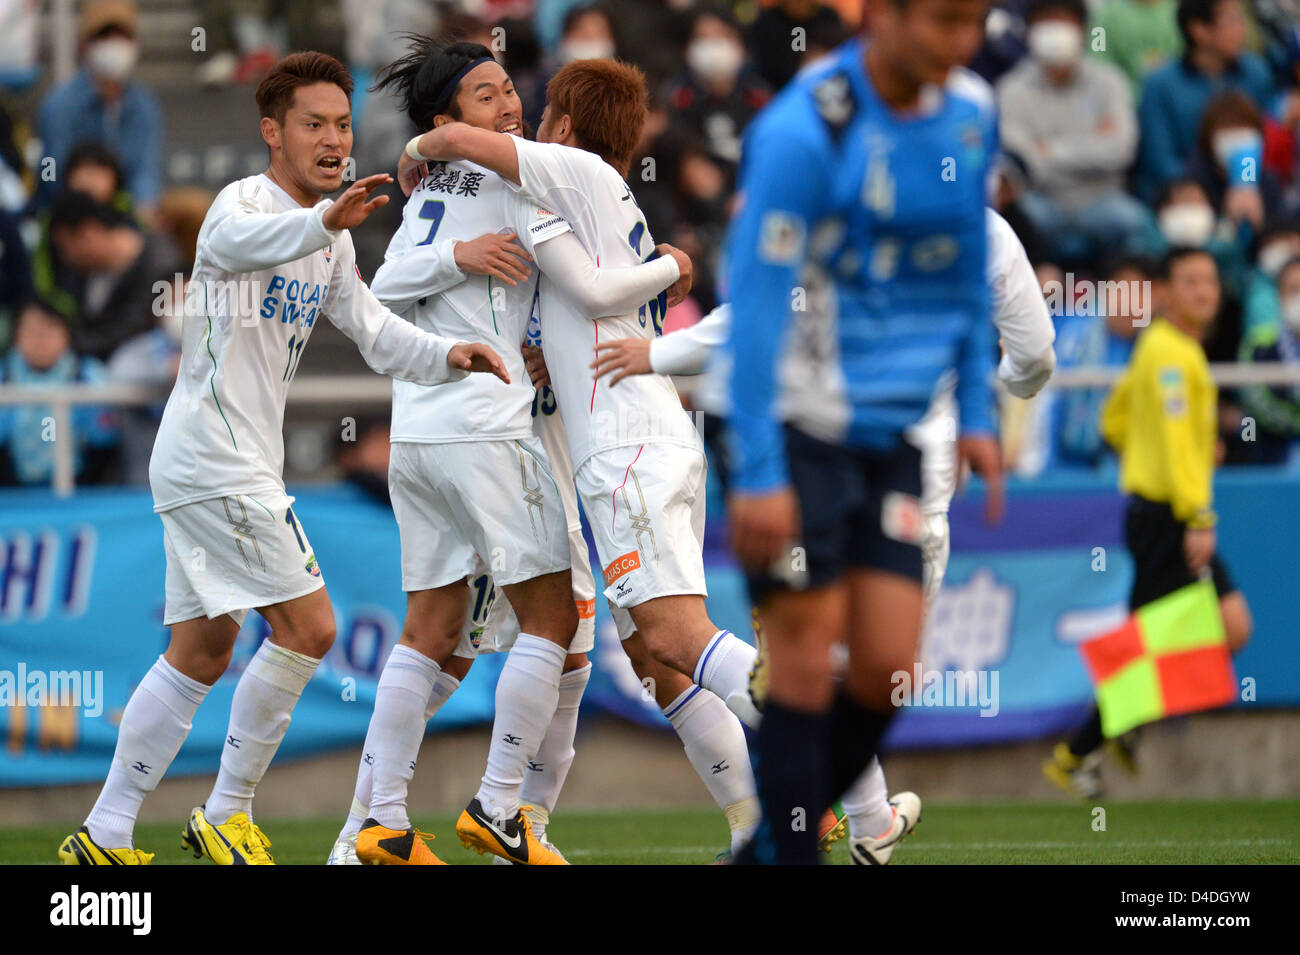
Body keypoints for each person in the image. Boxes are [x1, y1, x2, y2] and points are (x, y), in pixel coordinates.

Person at [56, 51, 508, 867]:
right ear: (273, 132)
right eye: (314, 125)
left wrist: (450, 354)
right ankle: (227, 811)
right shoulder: (244, 206)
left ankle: (104, 832)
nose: (334, 139)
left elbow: (374, 333)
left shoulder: (327, 240)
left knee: (200, 651)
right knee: (311, 626)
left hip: (219, 463)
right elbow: (245, 240)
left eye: (342, 124)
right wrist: (324, 221)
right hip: (214, 458)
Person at [592, 207, 1056, 863]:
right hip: (907, 489)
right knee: (852, 682)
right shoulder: (980, 226)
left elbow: (762, 305)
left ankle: (816, 831)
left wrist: (660, 351)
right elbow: (1035, 357)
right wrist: (984, 392)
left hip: (813, 472)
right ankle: (840, 826)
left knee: (804, 682)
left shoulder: (830, 198)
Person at [345, 38, 699, 867]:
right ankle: (501, 806)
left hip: (419, 433)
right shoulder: (517, 177)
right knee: (557, 618)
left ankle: (383, 821)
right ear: (448, 120)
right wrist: (673, 264)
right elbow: (593, 287)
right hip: (484, 428)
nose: (507, 106)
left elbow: (386, 286)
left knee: (428, 629)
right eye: (484, 97)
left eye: (509, 89)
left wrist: (453, 260)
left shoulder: (433, 191)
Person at [401, 57, 769, 792]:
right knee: (656, 656)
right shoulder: (608, 202)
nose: (521, 119)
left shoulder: (564, 180)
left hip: (623, 451)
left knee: (670, 637)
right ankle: (761, 819)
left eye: (534, 113)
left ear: (563, 130)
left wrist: (417, 152)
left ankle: (844, 771)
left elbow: (592, 287)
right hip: (651, 436)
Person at [720, 0, 1002, 865]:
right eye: (944, 21)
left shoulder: (970, 114)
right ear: (884, 15)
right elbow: (756, 307)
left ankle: (768, 845)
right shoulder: (805, 132)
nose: (960, 44)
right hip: (798, 433)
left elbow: (966, 271)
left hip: (897, 436)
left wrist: (980, 411)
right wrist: (759, 467)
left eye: (974, 24)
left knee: (884, 670)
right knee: (802, 667)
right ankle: (792, 852)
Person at [1044, 247, 1253, 797]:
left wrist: (1149, 456)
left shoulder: (1161, 348)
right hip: (1171, 517)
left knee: (1182, 635)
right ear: (1164, 292)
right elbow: (1180, 447)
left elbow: (1116, 418)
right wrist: (1198, 515)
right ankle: (1081, 749)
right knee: (1189, 637)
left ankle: (1111, 732)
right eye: (1189, 282)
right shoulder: (1169, 355)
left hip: (1156, 512)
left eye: (1210, 280)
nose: (1204, 291)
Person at [997, 0, 1150, 266]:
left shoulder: (1110, 82)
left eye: (1064, 24)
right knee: (1012, 223)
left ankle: (1123, 301)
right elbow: (1020, 159)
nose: (1056, 33)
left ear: (1082, 30)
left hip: (1102, 200)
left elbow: (1120, 150)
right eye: (1046, 24)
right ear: (1031, 31)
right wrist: (1091, 146)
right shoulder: (1011, 89)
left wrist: (1049, 150)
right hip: (1040, 201)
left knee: (1134, 222)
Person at [1136, 0, 1275, 201]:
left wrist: (1245, 186)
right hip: (1182, 196)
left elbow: (1266, 141)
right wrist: (1203, 191)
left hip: (1249, 191)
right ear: (1198, 29)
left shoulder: (1256, 73)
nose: (1241, 29)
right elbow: (1160, 159)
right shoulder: (1160, 84)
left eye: (1241, 19)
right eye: (1231, 20)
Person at [35, 1, 163, 214]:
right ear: (84, 44)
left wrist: (141, 209)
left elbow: (146, 172)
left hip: (127, 218)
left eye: (122, 36)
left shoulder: (144, 105)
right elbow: (52, 175)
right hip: (69, 216)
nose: (114, 45)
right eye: (104, 36)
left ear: (135, 43)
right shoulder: (58, 106)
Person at [46, 191, 181, 364]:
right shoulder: (84, 273)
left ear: (89, 233)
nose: (66, 259)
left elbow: (130, 330)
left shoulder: (163, 266)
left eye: (65, 249)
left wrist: (66, 343)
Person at [0, 298, 119, 487]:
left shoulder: (89, 375)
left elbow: (103, 442)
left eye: (49, 329)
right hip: (12, 494)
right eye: (30, 331)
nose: (40, 339)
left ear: (67, 334)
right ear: (15, 337)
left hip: (81, 490)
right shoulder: (4, 378)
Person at [1236, 255, 1300, 463]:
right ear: (1279, 296)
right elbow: (1257, 401)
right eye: (1293, 290)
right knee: (1248, 427)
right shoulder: (1258, 343)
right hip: (1271, 457)